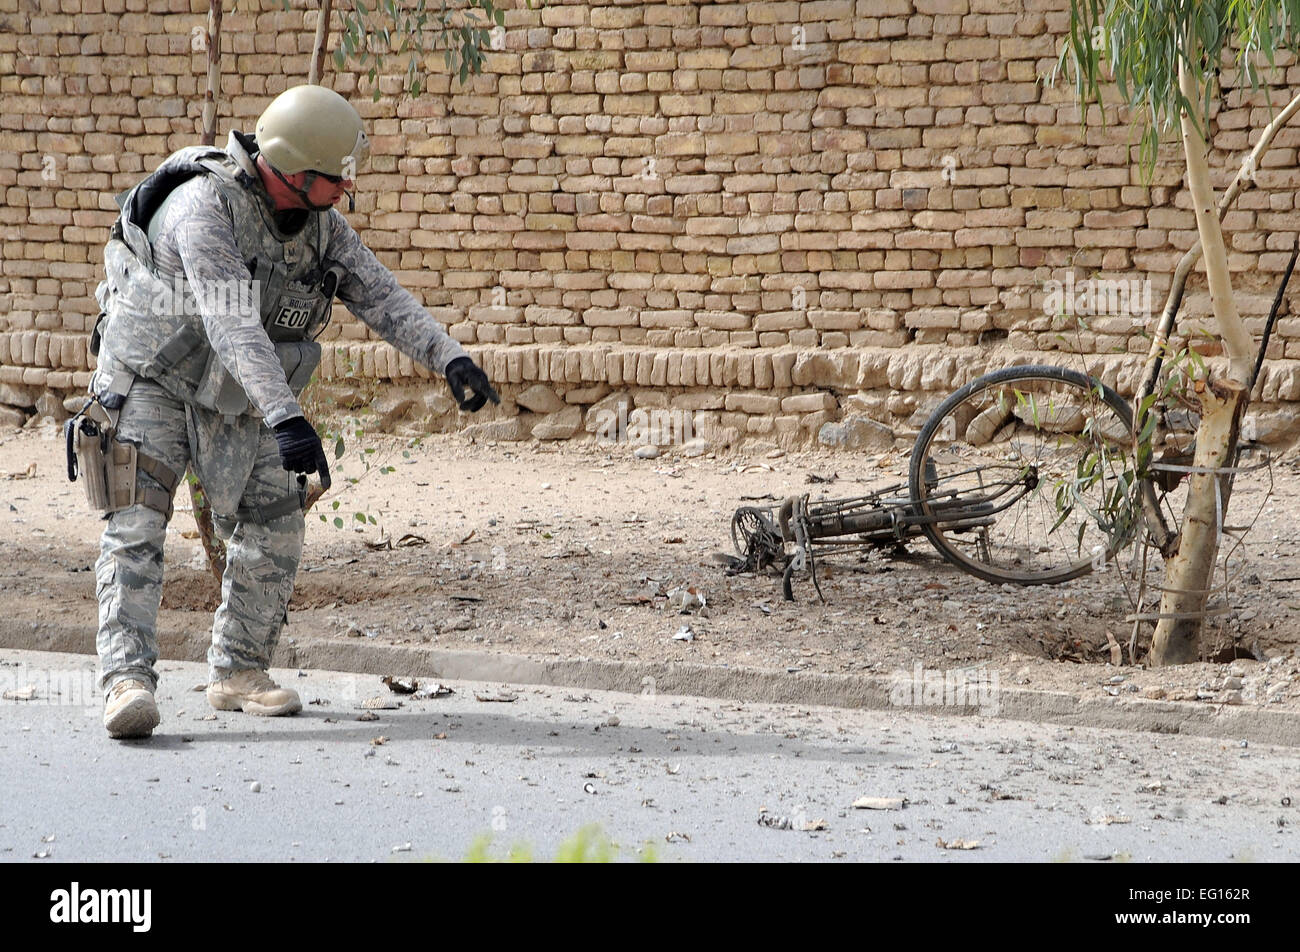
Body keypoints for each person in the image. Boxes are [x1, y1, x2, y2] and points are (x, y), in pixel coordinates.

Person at [78, 84, 498, 739]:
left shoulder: (319, 224)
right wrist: (287, 417)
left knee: (277, 520)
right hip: (153, 378)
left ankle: (240, 671)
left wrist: (450, 359)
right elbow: (232, 321)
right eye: (338, 179)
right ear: (296, 173)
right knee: (136, 528)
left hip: (236, 387)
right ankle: (127, 682)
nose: (347, 191)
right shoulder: (203, 209)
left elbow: (382, 296)